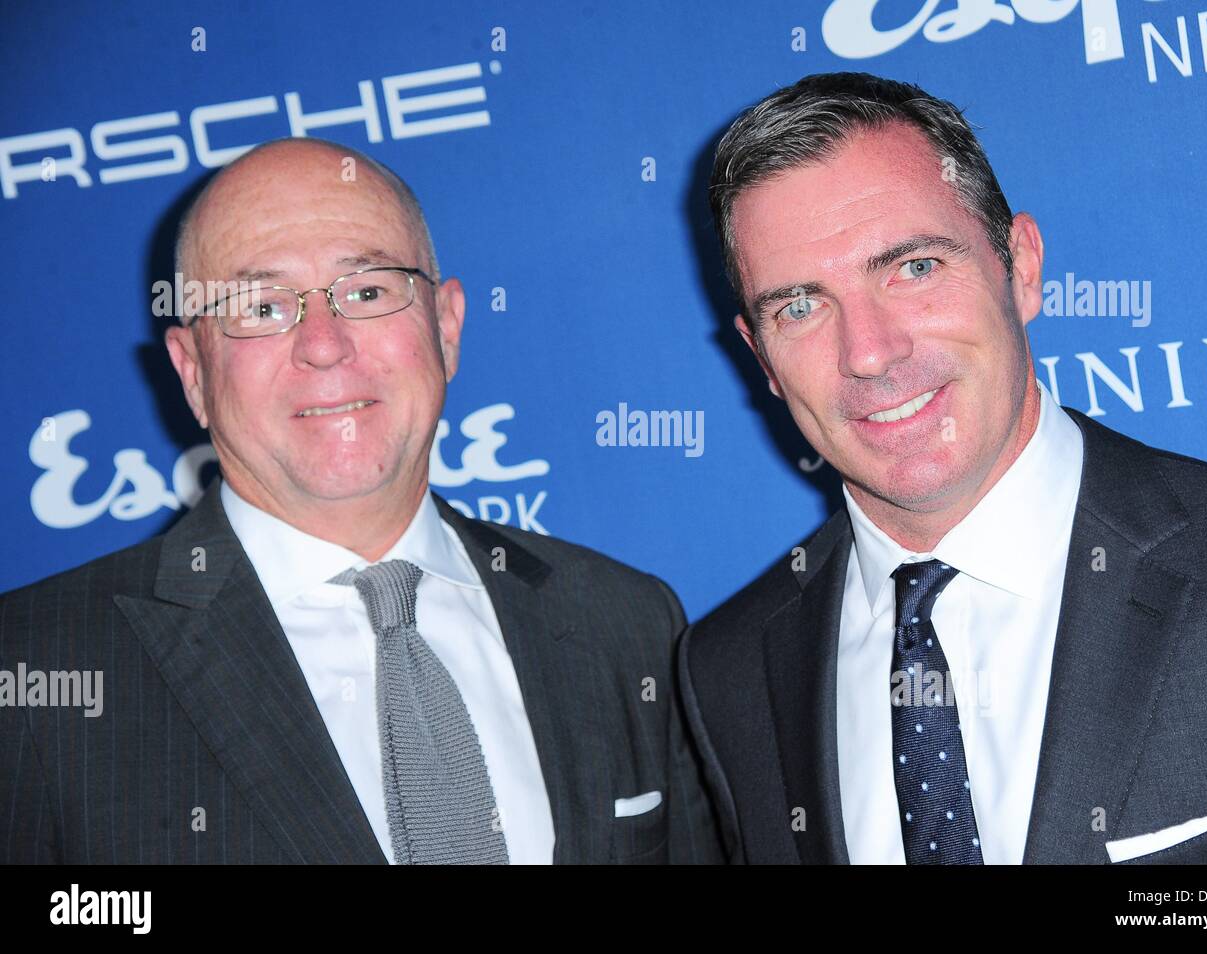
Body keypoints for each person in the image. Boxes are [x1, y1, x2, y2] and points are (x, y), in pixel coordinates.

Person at [0, 137, 721, 865]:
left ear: (446, 326)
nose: (322, 344)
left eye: (368, 291)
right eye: (261, 306)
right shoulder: (38, 670)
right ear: (192, 372)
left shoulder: (624, 624)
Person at [679, 72, 1207, 865]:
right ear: (759, 355)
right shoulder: (728, 668)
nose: (868, 352)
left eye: (913, 267)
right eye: (799, 306)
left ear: (1023, 267)